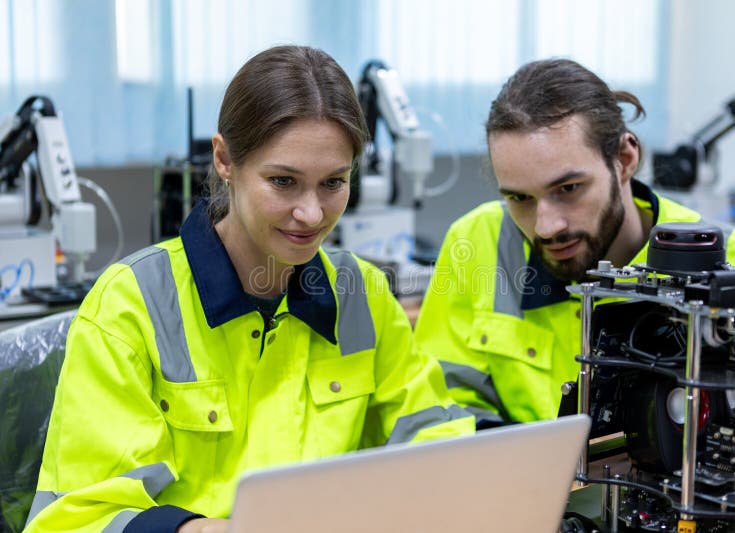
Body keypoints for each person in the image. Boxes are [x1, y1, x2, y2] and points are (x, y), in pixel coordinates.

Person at [25, 45, 474, 533]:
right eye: (283, 181)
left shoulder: (361, 293)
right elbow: (76, 519)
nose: (312, 214)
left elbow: (437, 435)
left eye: (333, 183)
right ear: (224, 159)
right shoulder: (128, 307)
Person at [414, 58, 735, 428]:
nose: (546, 227)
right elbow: (441, 402)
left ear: (625, 159)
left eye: (568, 188)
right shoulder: (476, 242)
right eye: (520, 198)